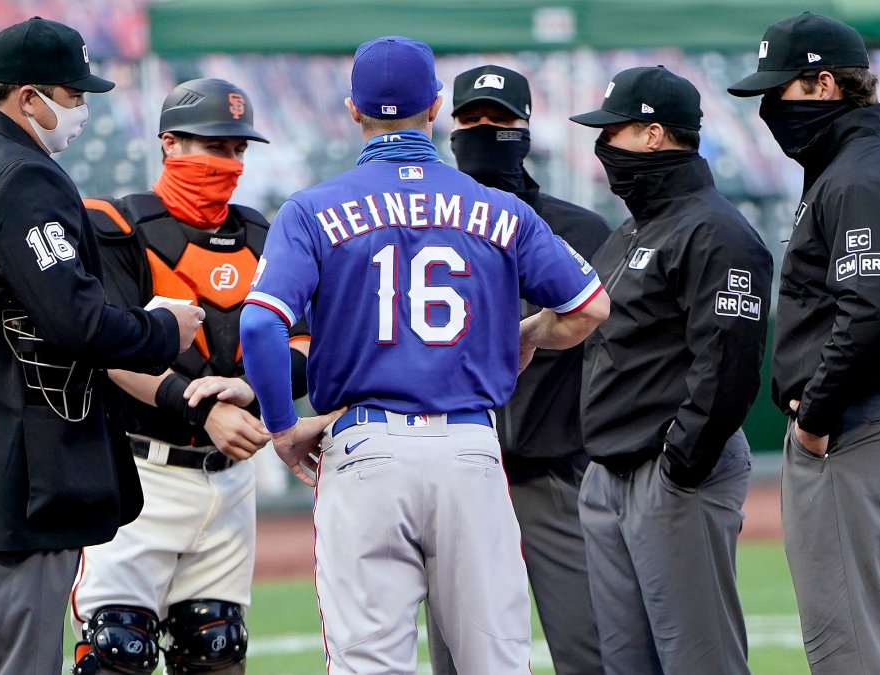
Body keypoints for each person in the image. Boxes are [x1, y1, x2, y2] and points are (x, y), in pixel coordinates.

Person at [239, 36, 609, 675]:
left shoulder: (311, 209)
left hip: (365, 449)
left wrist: (281, 428)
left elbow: (260, 326)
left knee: (369, 665)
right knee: (493, 660)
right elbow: (589, 308)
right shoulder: (501, 209)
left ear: (354, 111)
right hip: (470, 447)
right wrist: (521, 337)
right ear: (435, 107)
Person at [0, 17, 204, 675]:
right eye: (73, 94)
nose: (80, 109)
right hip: (12, 479)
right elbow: (76, 323)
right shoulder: (25, 177)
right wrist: (164, 328)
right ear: (28, 97)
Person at [728, 13, 880, 675]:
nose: (772, 108)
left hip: (855, 429)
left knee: (852, 651)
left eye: (782, 90)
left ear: (824, 83)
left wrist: (817, 416)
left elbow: (876, 308)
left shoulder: (856, 176)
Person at [69, 78, 309, 675]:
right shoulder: (116, 224)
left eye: (237, 149)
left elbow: (305, 342)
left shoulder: (264, 233)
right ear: (168, 144)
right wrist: (200, 407)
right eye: (212, 145)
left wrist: (254, 390)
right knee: (115, 651)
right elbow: (109, 348)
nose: (228, 162)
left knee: (217, 650)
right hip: (138, 471)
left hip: (230, 482)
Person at [569, 65, 773, 674]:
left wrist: (681, 463)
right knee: (628, 664)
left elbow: (729, 364)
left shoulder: (717, 231)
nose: (604, 146)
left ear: (653, 135)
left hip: (671, 471)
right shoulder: (633, 230)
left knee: (699, 660)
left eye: (615, 132)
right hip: (612, 469)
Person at [423, 64, 605, 675]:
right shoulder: (420, 221)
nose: (483, 129)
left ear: (525, 129)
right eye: (470, 118)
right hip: (457, 467)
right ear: (449, 127)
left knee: (591, 650)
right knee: (462, 659)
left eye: (499, 119)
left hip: (556, 471)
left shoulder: (579, 228)